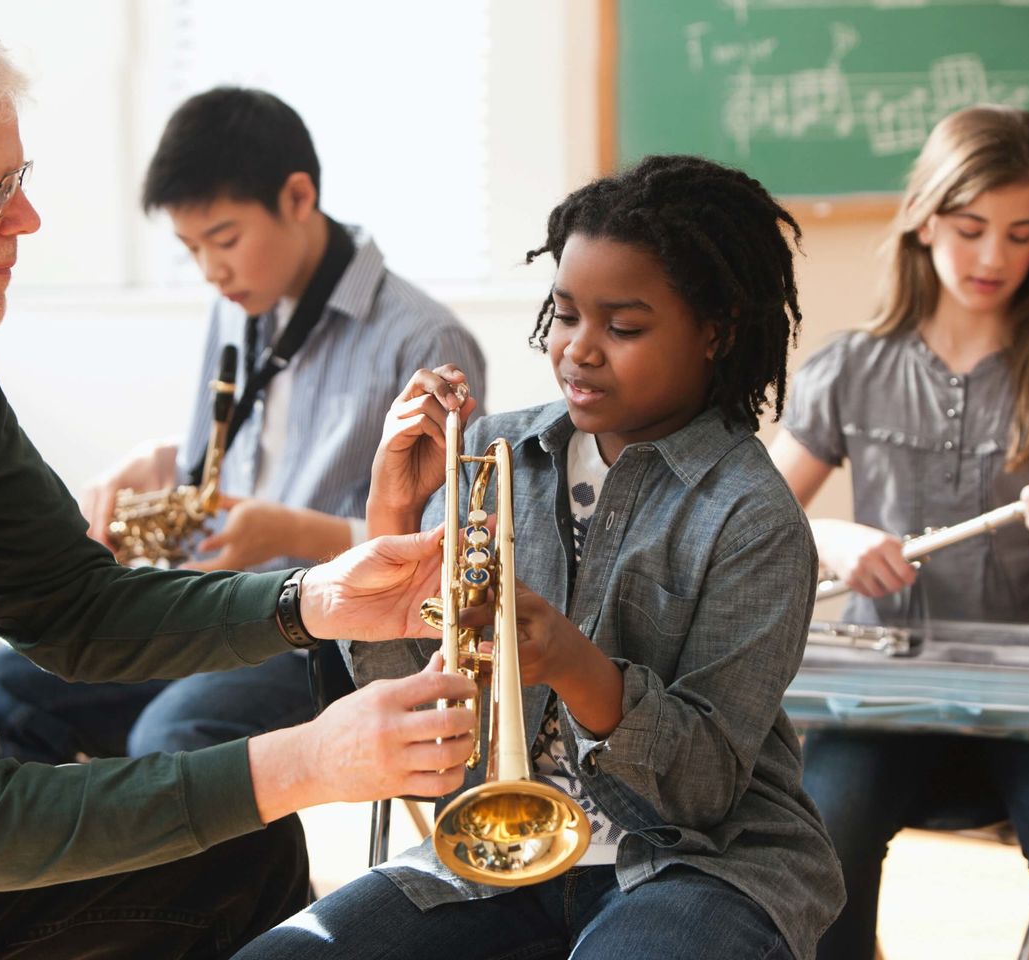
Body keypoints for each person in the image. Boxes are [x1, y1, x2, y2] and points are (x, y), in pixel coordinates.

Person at [0, 9, 479, 957]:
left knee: (243, 852)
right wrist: (314, 757)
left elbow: (72, 604)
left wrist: (311, 599)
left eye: (22, 182)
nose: (27, 218)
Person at [233, 154, 846, 960]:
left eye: (623, 327)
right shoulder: (491, 453)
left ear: (716, 332)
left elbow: (700, 791)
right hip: (491, 857)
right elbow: (409, 709)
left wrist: (571, 663)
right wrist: (393, 513)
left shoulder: (753, 516)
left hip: (701, 863)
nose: (578, 351)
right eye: (563, 315)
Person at [0, 85, 486, 763]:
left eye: (225, 239)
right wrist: (160, 465)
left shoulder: (424, 339)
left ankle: (265, 877)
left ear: (299, 199)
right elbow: (227, 456)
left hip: (335, 628)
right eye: (192, 249)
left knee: (173, 740)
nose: (213, 271)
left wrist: (294, 533)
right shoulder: (239, 303)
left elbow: (448, 559)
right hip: (219, 604)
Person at [768, 105, 1029, 959]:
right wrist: (831, 541)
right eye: (971, 228)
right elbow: (758, 511)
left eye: (1021, 234)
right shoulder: (852, 366)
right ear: (926, 218)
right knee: (821, 836)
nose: (992, 259)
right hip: (882, 695)